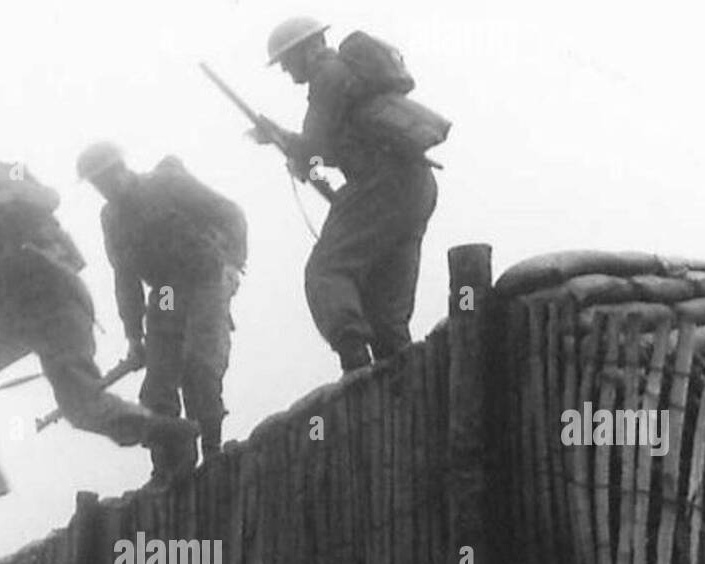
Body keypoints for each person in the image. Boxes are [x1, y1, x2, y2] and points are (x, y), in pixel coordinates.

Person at [0, 124, 198, 503]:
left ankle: (172, 433)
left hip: (55, 302)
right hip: (13, 314)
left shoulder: (0, 173)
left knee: (84, 409)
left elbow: (47, 197)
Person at [257, 18, 442, 372]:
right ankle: (400, 380)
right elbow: (329, 150)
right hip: (415, 184)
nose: (285, 69)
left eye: (287, 60)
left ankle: (353, 356)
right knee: (386, 308)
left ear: (309, 49)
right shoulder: (352, 77)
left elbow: (314, 146)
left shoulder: (327, 75)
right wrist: (293, 148)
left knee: (326, 270)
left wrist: (288, 144)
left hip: (381, 183)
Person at [76, 142, 246, 484]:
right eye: (97, 183)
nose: (105, 187)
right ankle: (171, 465)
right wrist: (134, 336)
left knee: (200, 362)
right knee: (158, 382)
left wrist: (232, 262)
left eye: (108, 177)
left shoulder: (167, 183)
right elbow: (125, 278)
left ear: (122, 168)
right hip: (167, 291)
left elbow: (229, 213)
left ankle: (212, 448)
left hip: (204, 276)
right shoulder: (111, 219)